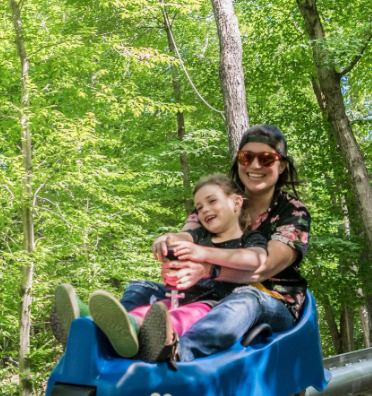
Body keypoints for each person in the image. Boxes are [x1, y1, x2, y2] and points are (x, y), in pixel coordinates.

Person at [53, 124, 311, 365]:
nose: (254, 165)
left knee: (245, 298)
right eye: (247, 157)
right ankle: (102, 332)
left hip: (268, 298)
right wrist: (169, 245)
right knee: (142, 287)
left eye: (266, 159)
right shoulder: (216, 201)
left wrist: (206, 267)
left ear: (281, 165)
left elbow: (262, 267)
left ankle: (177, 351)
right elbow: (187, 235)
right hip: (207, 290)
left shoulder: (292, 212)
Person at [53, 174, 268, 362]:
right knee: (149, 311)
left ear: (236, 202)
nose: (205, 210)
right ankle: (89, 324)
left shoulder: (250, 239)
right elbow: (180, 237)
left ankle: (139, 336)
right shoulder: (200, 235)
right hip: (179, 296)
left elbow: (255, 259)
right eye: (200, 207)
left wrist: (203, 254)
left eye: (212, 201)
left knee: (181, 316)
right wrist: (165, 241)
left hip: (212, 305)